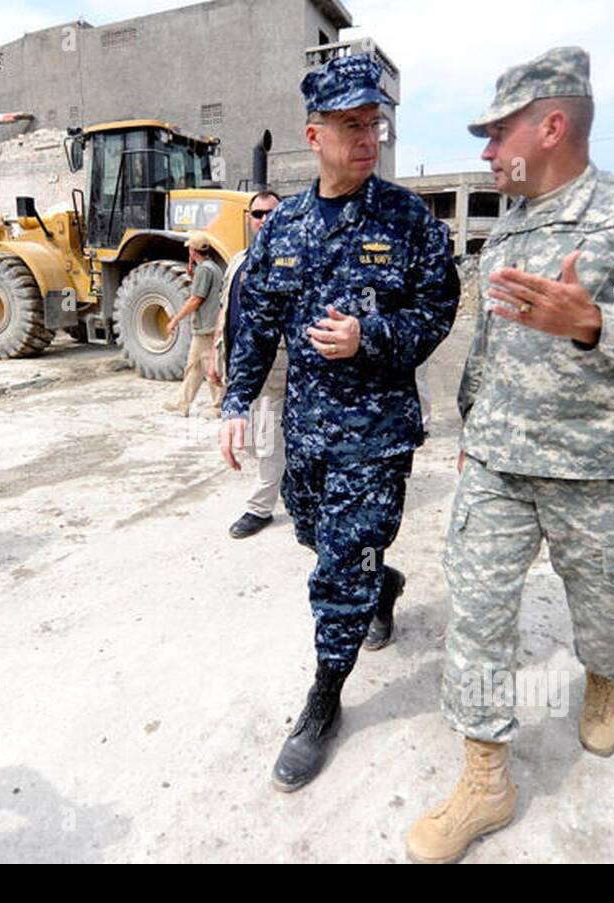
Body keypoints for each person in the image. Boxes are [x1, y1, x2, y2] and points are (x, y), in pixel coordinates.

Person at [405, 47, 614, 864]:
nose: (483, 152)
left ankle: (606, 680)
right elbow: (487, 346)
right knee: (476, 620)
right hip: (502, 467)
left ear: (551, 125)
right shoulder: (506, 224)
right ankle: (485, 778)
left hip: (603, 471)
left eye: (495, 132)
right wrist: (473, 434)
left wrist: (593, 325)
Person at [220, 54, 460, 791]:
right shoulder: (283, 224)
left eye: (375, 123)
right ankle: (379, 585)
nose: (369, 137)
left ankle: (323, 701)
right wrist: (235, 401)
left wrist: (373, 338)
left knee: (337, 569)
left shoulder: (408, 220)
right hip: (309, 432)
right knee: (315, 535)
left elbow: (437, 311)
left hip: (376, 432)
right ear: (313, 134)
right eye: (351, 124)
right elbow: (255, 318)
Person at [210, 190, 285, 539]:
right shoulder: (239, 260)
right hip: (239, 368)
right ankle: (284, 481)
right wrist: (215, 354)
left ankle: (261, 507)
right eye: (258, 214)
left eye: (272, 213)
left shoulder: (290, 262)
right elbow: (224, 311)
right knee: (256, 439)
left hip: (275, 371)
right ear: (249, 219)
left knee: (269, 439)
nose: (265, 219)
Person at [162, 234, 225, 417]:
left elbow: (196, 299)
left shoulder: (204, 271)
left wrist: (175, 319)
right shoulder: (212, 267)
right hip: (207, 325)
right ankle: (182, 404)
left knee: (209, 366)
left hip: (207, 327)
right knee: (194, 367)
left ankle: (219, 405)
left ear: (192, 251)